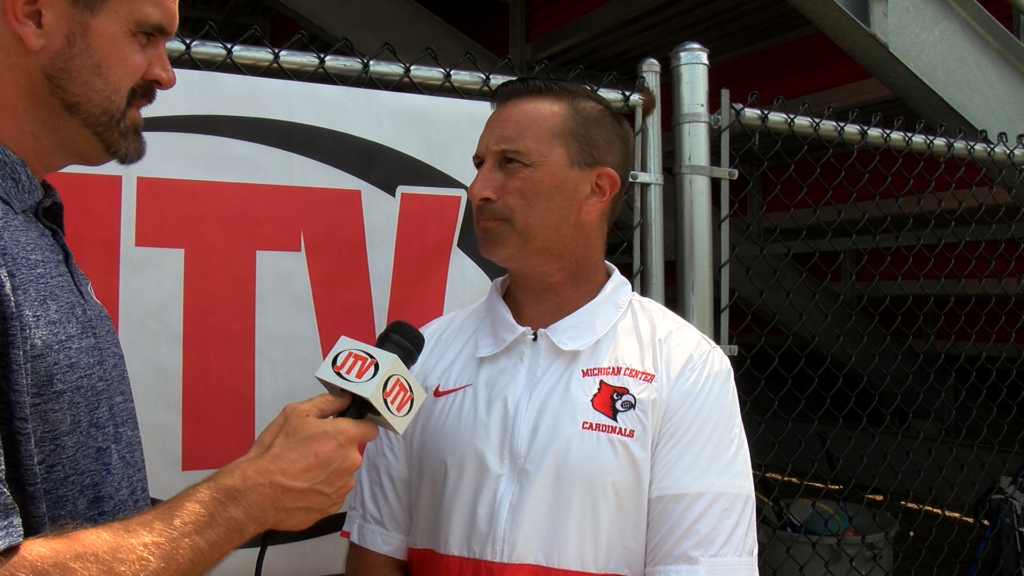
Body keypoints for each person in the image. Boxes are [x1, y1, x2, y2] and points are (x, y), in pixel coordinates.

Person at [0, 0, 378, 573]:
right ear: (33, 15)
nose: (165, 73)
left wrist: (253, 484)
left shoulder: (28, 216)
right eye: (145, 35)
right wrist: (248, 497)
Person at [344, 78, 758, 575]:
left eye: (511, 163)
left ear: (596, 189)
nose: (478, 190)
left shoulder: (684, 366)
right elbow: (375, 556)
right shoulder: (424, 355)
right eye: (479, 165)